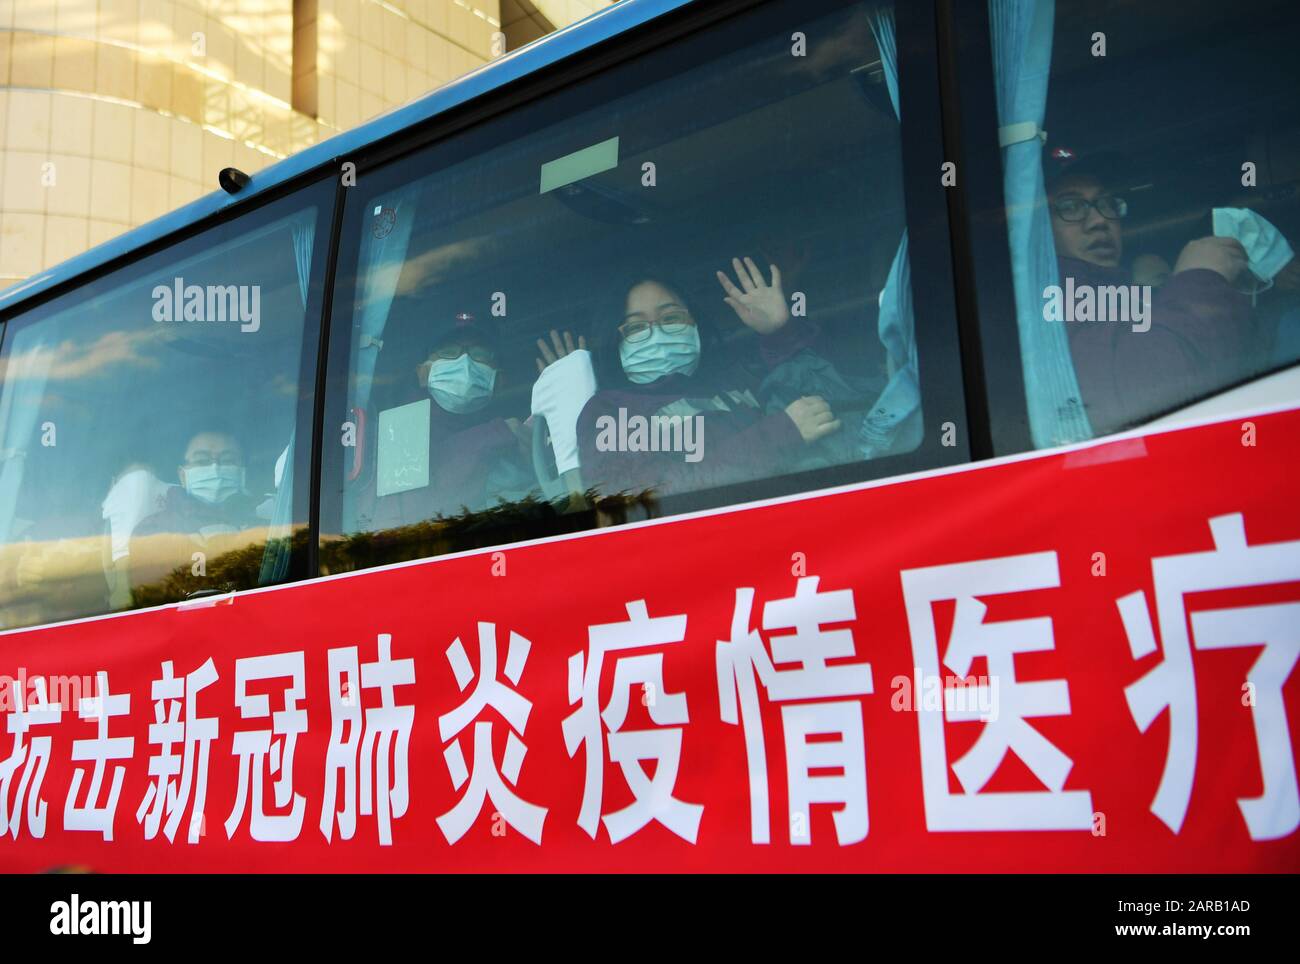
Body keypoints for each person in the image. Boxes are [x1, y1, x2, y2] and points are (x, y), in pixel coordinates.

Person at [572, 257, 844, 500]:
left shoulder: (736, 381)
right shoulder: (608, 412)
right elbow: (647, 500)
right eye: (636, 326)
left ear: (694, 325)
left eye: (671, 317)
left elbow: (833, 399)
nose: (657, 334)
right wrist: (780, 434)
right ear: (616, 341)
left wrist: (780, 332)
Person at [1047, 151, 1253, 434]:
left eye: (1106, 203)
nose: (1098, 220)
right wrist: (1201, 278)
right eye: (1070, 207)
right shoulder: (1052, 302)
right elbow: (1148, 391)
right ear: (1039, 229)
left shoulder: (1114, 295)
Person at [357, 313, 537, 531]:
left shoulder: (509, 439)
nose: (464, 362)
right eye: (448, 353)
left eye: (479, 355)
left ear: (499, 380)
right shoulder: (400, 425)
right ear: (422, 373)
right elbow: (411, 513)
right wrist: (497, 433)